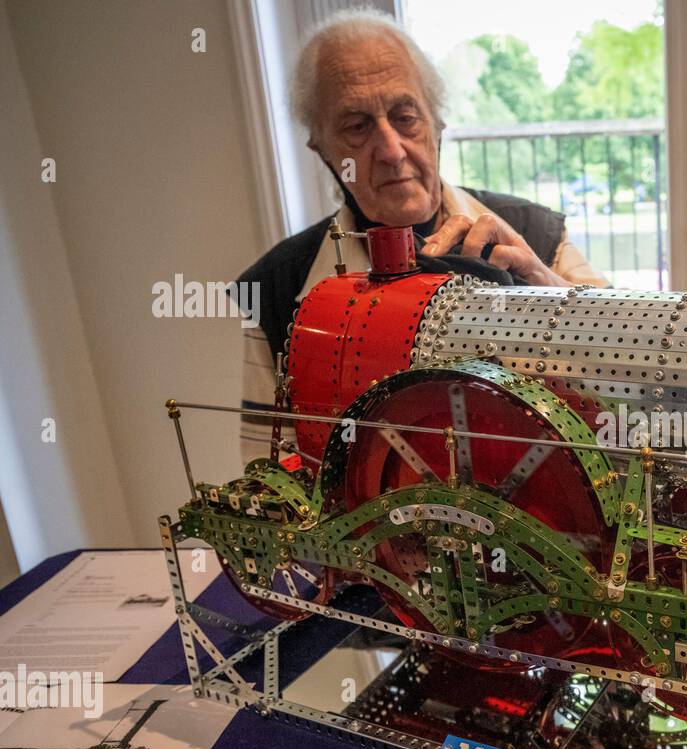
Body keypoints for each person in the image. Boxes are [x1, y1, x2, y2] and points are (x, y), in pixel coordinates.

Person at [238, 8, 606, 459]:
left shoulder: (538, 237)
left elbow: (645, 387)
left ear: (438, 122)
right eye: (357, 126)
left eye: (405, 116)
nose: (391, 151)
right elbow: (266, 470)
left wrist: (549, 288)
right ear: (321, 148)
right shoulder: (277, 288)